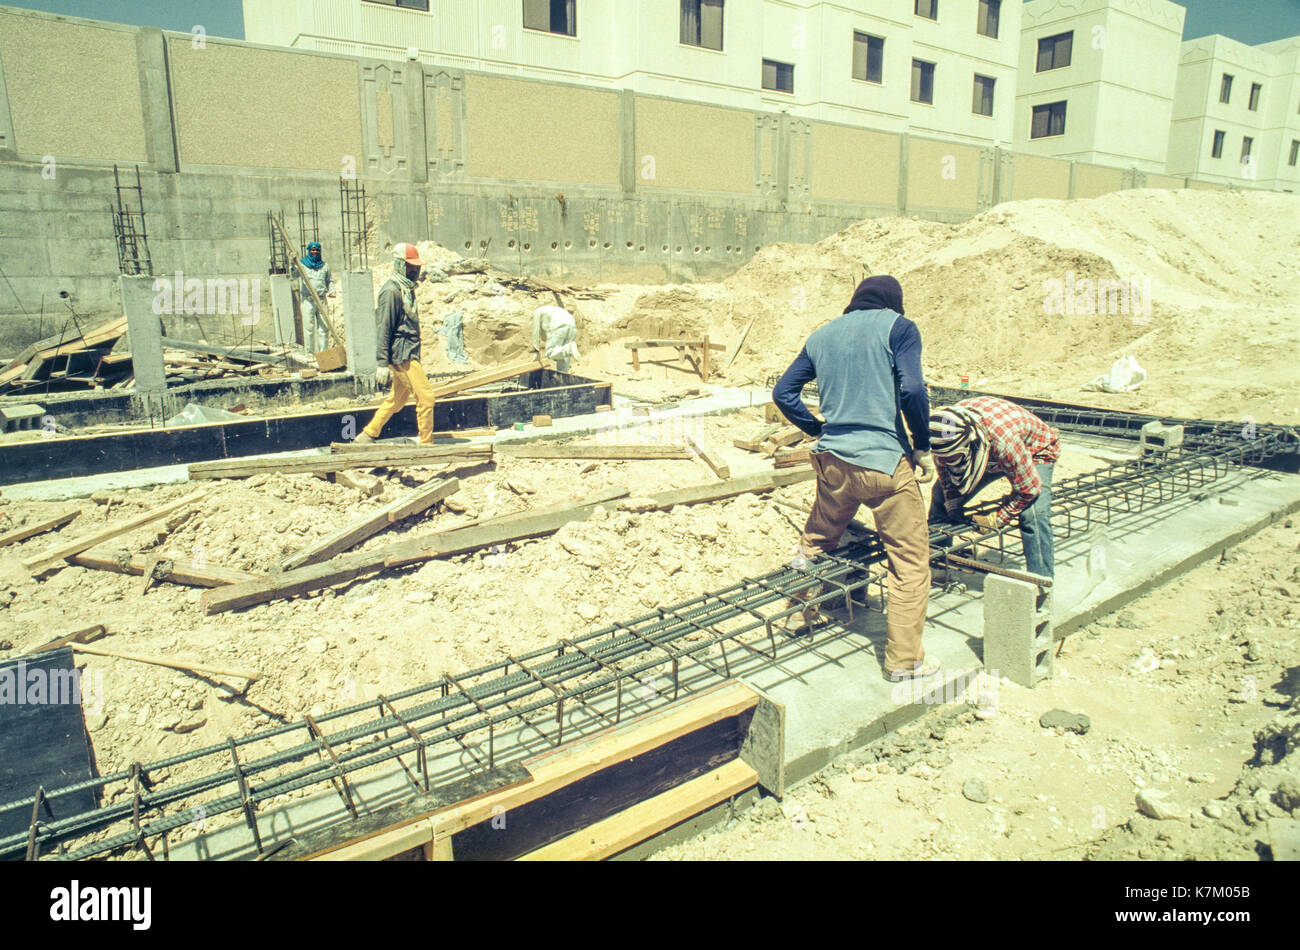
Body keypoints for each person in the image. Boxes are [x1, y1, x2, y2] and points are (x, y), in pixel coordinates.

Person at [772, 274, 939, 683]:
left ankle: (797, 618)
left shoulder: (822, 335)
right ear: (892, 304)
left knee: (816, 542)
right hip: (884, 465)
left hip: (832, 462)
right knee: (910, 564)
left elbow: (782, 393)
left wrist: (815, 430)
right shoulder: (899, 328)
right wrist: (921, 444)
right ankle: (904, 662)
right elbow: (913, 389)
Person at [927, 397, 1060, 579]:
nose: (947, 462)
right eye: (946, 458)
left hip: (1035, 450)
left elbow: (1030, 489)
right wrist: (954, 508)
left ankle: (1040, 582)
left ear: (970, 443)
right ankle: (939, 566)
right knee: (940, 497)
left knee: (1033, 514)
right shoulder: (941, 436)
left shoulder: (1004, 441)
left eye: (953, 458)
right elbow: (947, 482)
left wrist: (998, 519)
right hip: (990, 452)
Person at [355, 243, 436, 445]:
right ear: (400, 265)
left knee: (397, 400)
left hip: (409, 351)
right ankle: (426, 445)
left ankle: (368, 434)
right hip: (403, 355)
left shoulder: (406, 289)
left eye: (417, 267)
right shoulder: (391, 292)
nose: (415, 270)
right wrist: (382, 363)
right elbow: (384, 328)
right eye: (411, 266)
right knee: (426, 398)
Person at [298, 241, 333, 351]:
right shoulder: (302, 264)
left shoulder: (325, 266)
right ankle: (310, 354)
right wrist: (292, 264)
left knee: (324, 328)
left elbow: (329, 280)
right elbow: (293, 275)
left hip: (321, 300)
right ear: (309, 251)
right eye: (312, 250)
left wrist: (332, 290)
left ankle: (324, 354)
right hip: (308, 300)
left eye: (317, 250)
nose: (315, 252)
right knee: (309, 328)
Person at [532, 304, 580, 373]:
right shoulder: (556, 311)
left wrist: (536, 351)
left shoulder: (537, 312)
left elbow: (536, 331)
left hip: (559, 327)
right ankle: (563, 374)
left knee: (550, 352)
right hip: (573, 328)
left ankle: (568, 348)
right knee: (563, 357)